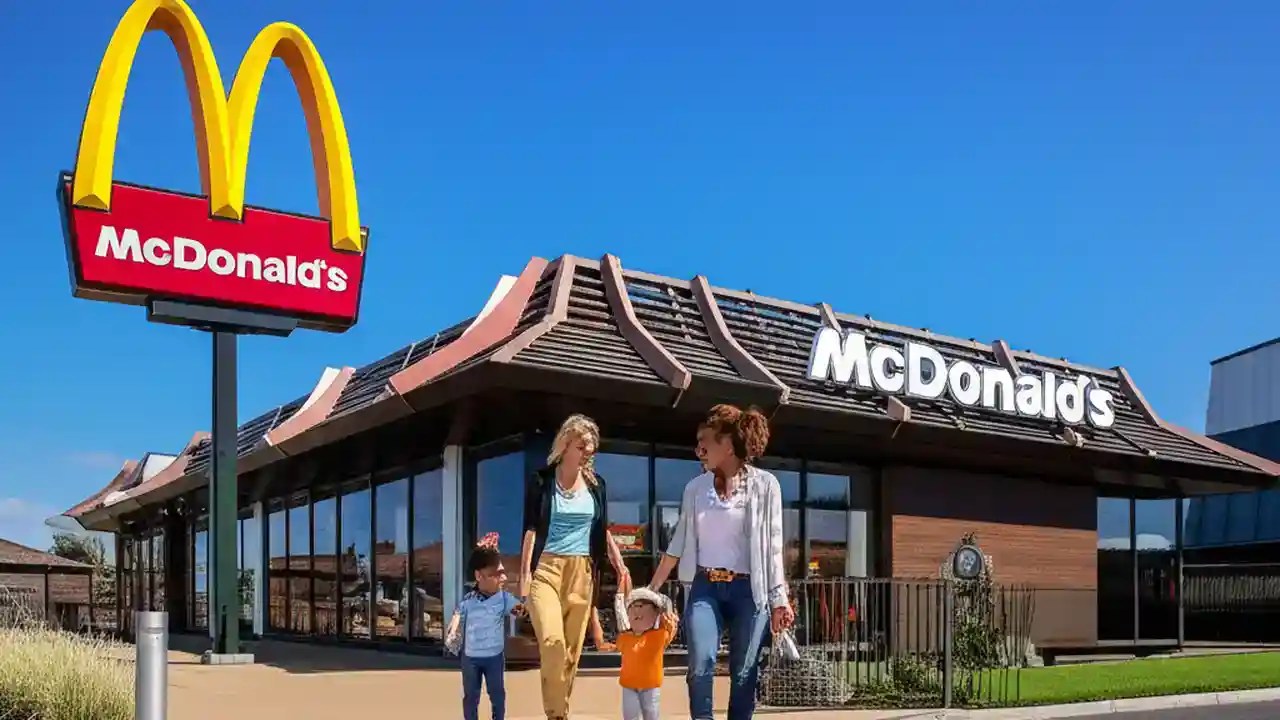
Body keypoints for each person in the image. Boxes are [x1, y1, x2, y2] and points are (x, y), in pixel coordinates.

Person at [647, 404, 796, 720]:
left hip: (748, 591)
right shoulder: (695, 488)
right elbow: (678, 542)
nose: (699, 449)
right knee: (700, 664)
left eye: (706, 442)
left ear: (727, 446)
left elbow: (772, 548)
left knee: (744, 674)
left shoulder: (766, 485)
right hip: (705, 588)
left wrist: (779, 599)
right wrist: (651, 590)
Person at [519, 413, 633, 720]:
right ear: (566, 443)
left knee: (570, 653)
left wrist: (620, 565)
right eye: (582, 446)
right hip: (546, 570)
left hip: (582, 572)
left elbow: (603, 529)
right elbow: (530, 529)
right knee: (553, 643)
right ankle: (556, 714)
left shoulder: (597, 486)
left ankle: (559, 713)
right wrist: (524, 576)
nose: (587, 453)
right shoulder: (541, 481)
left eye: (591, 448)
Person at [446, 532, 524, 720]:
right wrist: (453, 629)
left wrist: (524, 608)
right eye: (496, 574)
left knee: (497, 694)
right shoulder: (469, 600)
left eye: (503, 573)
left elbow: (519, 609)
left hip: (494, 657)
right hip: (471, 658)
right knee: (471, 697)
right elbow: (458, 613)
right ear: (479, 576)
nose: (502, 578)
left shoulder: (503, 599)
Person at [616, 587, 678, 720]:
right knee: (630, 715)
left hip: (651, 685)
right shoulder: (625, 637)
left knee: (651, 713)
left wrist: (669, 618)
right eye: (633, 606)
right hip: (629, 684)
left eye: (642, 606)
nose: (637, 610)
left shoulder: (659, 635)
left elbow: (671, 627)